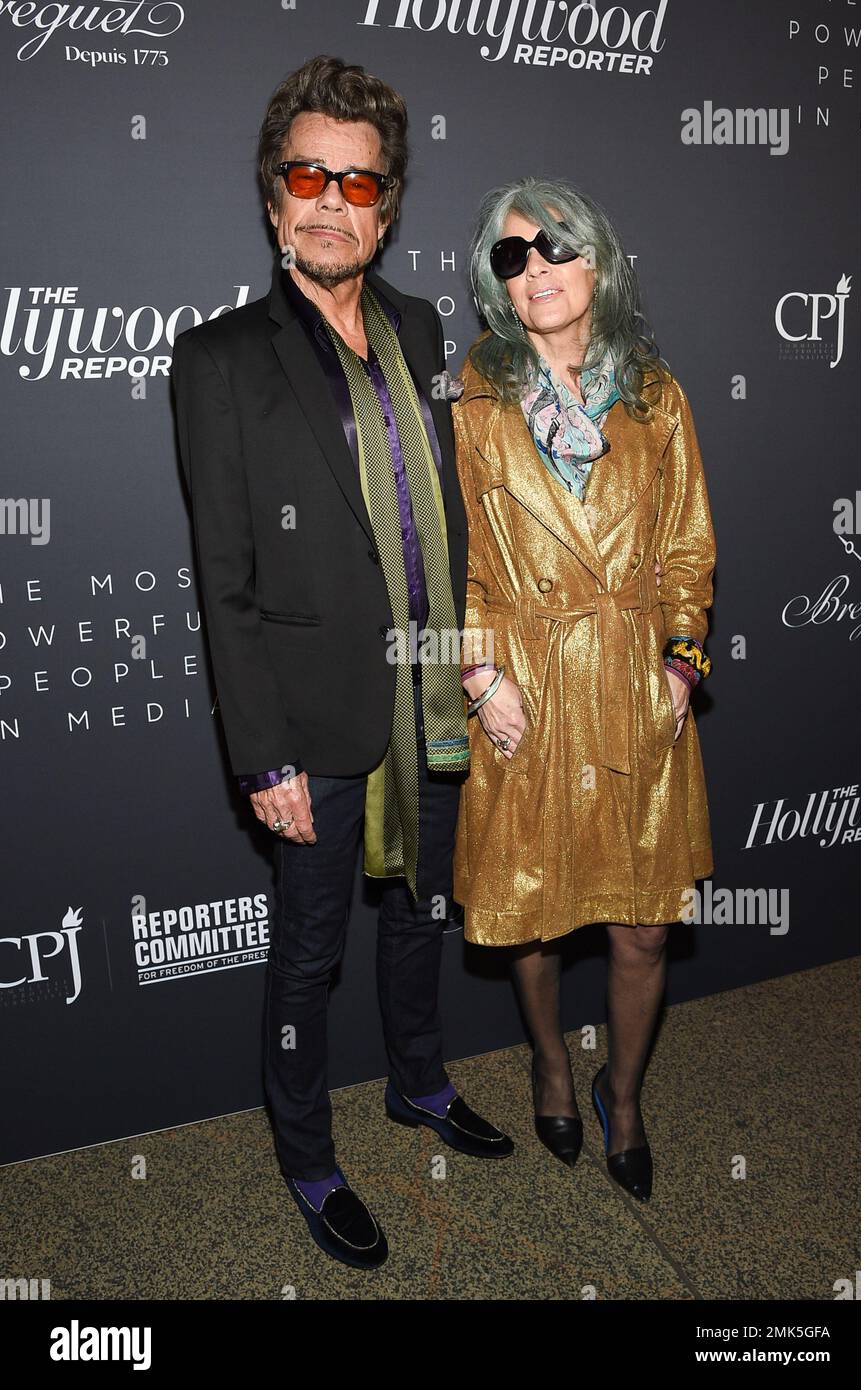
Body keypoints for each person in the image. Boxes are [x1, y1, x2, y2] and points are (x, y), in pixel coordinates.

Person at [170, 55, 512, 1272]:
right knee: (308, 958)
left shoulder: (421, 328)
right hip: (310, 724)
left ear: (388, 204)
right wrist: (256, 750)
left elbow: (449, 525)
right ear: (274, 197)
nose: (330, 201)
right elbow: (225, 581)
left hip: (427, 698)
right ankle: (309, 1160)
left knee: (420, 918)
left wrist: (471, 667)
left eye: (357, 183)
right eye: (307, 175)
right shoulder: (215, 364)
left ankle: (418, 1084)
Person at [451, 177, 716, 1200]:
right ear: (495, 283)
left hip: (632, 685)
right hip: (522, 680)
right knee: (530, 911)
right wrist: (477, 673)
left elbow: (689, 550)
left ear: (598, 261)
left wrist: (680, 664)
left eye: (555, 247)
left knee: (642, 922)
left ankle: (628, 1089)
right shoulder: (469, 395)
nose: (537, 270)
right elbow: (451, 555)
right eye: (512, 257)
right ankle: (552, 1062)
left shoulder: (657, 392)